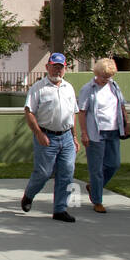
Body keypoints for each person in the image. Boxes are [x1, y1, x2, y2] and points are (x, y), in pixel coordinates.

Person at [21, 52, 82, 222]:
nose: (57, 70)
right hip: (47, 136)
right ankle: (29, 195)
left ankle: (60, 210)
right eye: (54, 66)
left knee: (67, 172)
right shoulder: (38, 88)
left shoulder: (69, 88)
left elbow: (73, 114)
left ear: (64, 69)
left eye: (60, 67)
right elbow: (29, 112)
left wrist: (75, 137)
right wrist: (38, 133)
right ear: (47, 67)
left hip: (67, 137)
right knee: (43, 172)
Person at [78, 57, 128, 214]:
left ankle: (94, 187)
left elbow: (121, 105)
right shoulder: (88, 88)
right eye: (103, 76)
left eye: (109, 77)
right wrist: (84, 133)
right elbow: (82, 112)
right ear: (96, 73)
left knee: (114, 164)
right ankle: (97, 200)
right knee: (96, 169)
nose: (106, 80)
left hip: (113, 131)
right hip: (95, 133)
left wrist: (127, 123)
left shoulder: (114, 86)